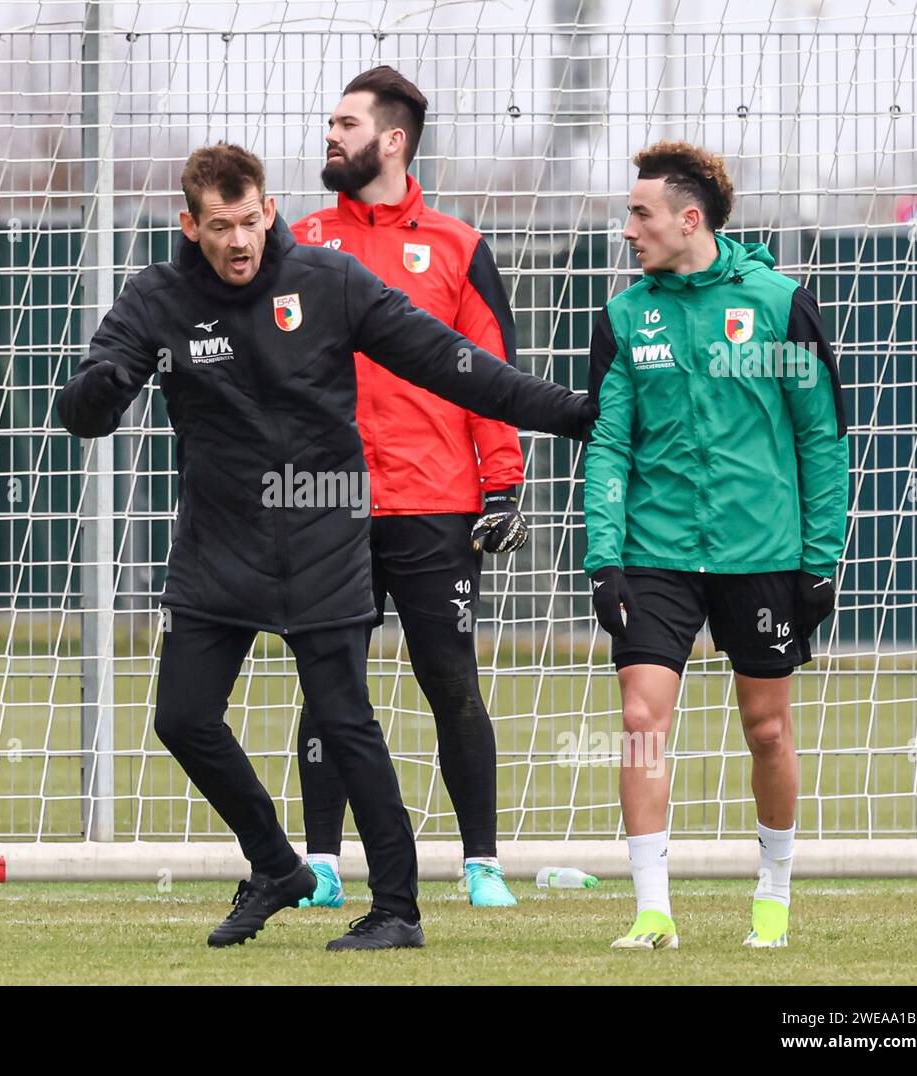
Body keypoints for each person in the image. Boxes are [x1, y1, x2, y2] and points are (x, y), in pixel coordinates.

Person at [57, 142, 595, 951]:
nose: (238, 241)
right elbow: (92, 400)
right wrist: (96, 395)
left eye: (249, 221)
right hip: (219, 543)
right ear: (189, 226)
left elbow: (453, 365)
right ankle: (277, 866)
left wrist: (573, 412)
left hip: (323, 533)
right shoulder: (156, 298)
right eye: (218, 226)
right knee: (182, 717)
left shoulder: (328, 282)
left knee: (345, 721)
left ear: (268, 210)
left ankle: (398, 911)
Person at [583, 141, 848, 951]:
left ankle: (772, 892)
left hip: (761, 553)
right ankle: (652, 910)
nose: (628, 229)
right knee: (639, 719)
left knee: (766, 729)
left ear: (687, 218)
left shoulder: (779, 304)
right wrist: (604, 556)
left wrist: (820, 560)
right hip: (655, 552)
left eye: (640, 213)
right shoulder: (627, 316)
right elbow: (607, 445)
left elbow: (821, 439)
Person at [291, 66, 529, 909]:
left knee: (451, 681)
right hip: (325, 502)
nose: (331, 135)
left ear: (392, 140)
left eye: (346, 124)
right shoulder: (299, 240)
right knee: (329, 681)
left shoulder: (459, 246)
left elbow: (489, 371)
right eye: (330, 122)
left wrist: (504, 482)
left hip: (436, 503)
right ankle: (319, 863)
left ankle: (480, 863)